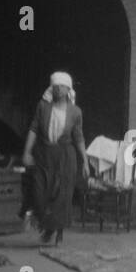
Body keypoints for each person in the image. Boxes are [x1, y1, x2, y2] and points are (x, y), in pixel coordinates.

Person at [21, 71, 88, 247]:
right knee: (39, 193)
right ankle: (47, 226)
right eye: (55, 86)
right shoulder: (43, 107)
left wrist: (85, 161)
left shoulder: (75, 112)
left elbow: (79, 137)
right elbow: (34, 128)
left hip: (65, 157)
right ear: (52, 88)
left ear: (68, 90)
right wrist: (27, 152)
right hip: (44, 155)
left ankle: (58, 232)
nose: (58, 89)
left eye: (62, 86)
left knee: (61, 197)